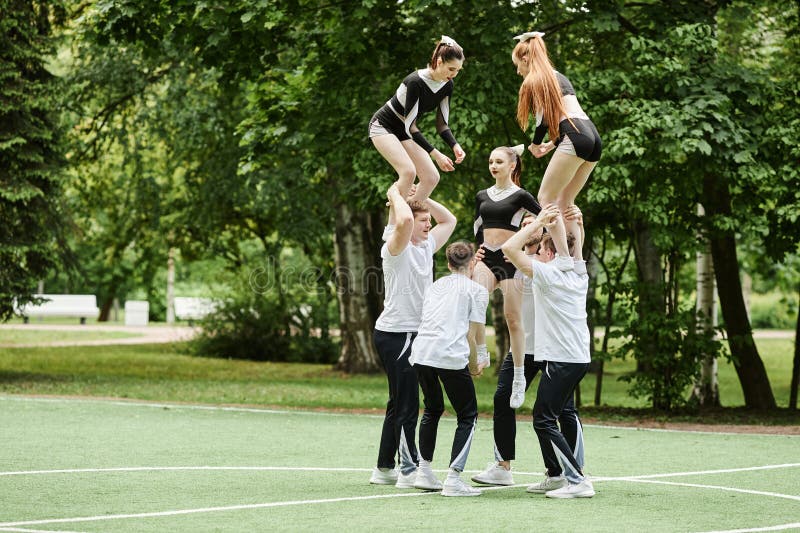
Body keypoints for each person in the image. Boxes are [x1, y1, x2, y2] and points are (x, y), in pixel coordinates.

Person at [471, 219, 584, 488]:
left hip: (552, 348)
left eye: (533, 222)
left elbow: (573, 250)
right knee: (502, 397)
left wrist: (576, 225)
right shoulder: (507, 262)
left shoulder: (549, 261)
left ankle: (573, 470)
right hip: (523, 349)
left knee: (563, 410)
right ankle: (503, 466)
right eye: (523, 223)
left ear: (543, 229)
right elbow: (480, 290)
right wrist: (476, 266)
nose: (528, 227)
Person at [502, 203, 595, 498]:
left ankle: (577, 480)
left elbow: (509, 248)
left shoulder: (551, 274)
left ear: (550, 254)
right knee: (552, 414)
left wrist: (538, 222)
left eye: (540, 250)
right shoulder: (577, 272)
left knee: (543, 418)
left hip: (563, 359)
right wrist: (576, 225)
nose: (536, 255)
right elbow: (575, 249)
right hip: (573, 357)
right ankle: (557, 475)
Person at [370, 183, 457, 489]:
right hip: (397, 335)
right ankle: (409, 471)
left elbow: (450, 221)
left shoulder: (423, 247)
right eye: (424, 221)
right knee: (407, 405)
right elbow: (404, 222)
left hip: (411, 334)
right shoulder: (396, 248)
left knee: (398, 402)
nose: (429, 223)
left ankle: (384, 468)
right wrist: (396, 193)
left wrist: (424, 198)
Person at [409, 240, 489, 496]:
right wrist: (477, 362)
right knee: (468, 415)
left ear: (448, 262)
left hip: (422, 354)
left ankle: (424, 471)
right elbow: (473, 332)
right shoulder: (477, 290)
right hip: (449, 356)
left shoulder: (435, 286)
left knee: (432, 408)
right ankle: (453, 479)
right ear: (473, 263)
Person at [512, 31, 601, 243]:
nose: (517, 71)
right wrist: (551, 145)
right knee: (565, 202)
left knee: (545, 199)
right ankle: (577, 261)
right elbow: (569, 120)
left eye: (517, 65)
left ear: (525, 59)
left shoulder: (536, 79)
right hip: (591, 135)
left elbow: (542, 119)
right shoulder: (558, 75)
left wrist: (535, 144)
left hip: (575, 134)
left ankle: (563, 258)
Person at [472, 145, 541, 409]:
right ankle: (481, 352)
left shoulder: (521, 195)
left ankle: (519, 377)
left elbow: (542, 217)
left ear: (512, 165)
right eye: (491, 161)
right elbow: (478, 225)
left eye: (499, 161)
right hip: (487, 258)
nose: (493, 165)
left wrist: (525, 246)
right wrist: (477, 248)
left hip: (510, 260)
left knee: (513, 319)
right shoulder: (481, 195)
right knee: (476, 301)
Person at [369, 36, 467, 203]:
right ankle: (394, 225)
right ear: (439, 61)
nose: (454, 75)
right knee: (408, 172)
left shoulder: (447, 85)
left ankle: (411, 217)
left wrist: (454, 145)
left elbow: (442, 124)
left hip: (405, 129)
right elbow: (411, 127)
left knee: (431, 178)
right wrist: (436, 154)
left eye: (458, 70)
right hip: (383, 126)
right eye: (451, 69)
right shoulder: (416, 81)